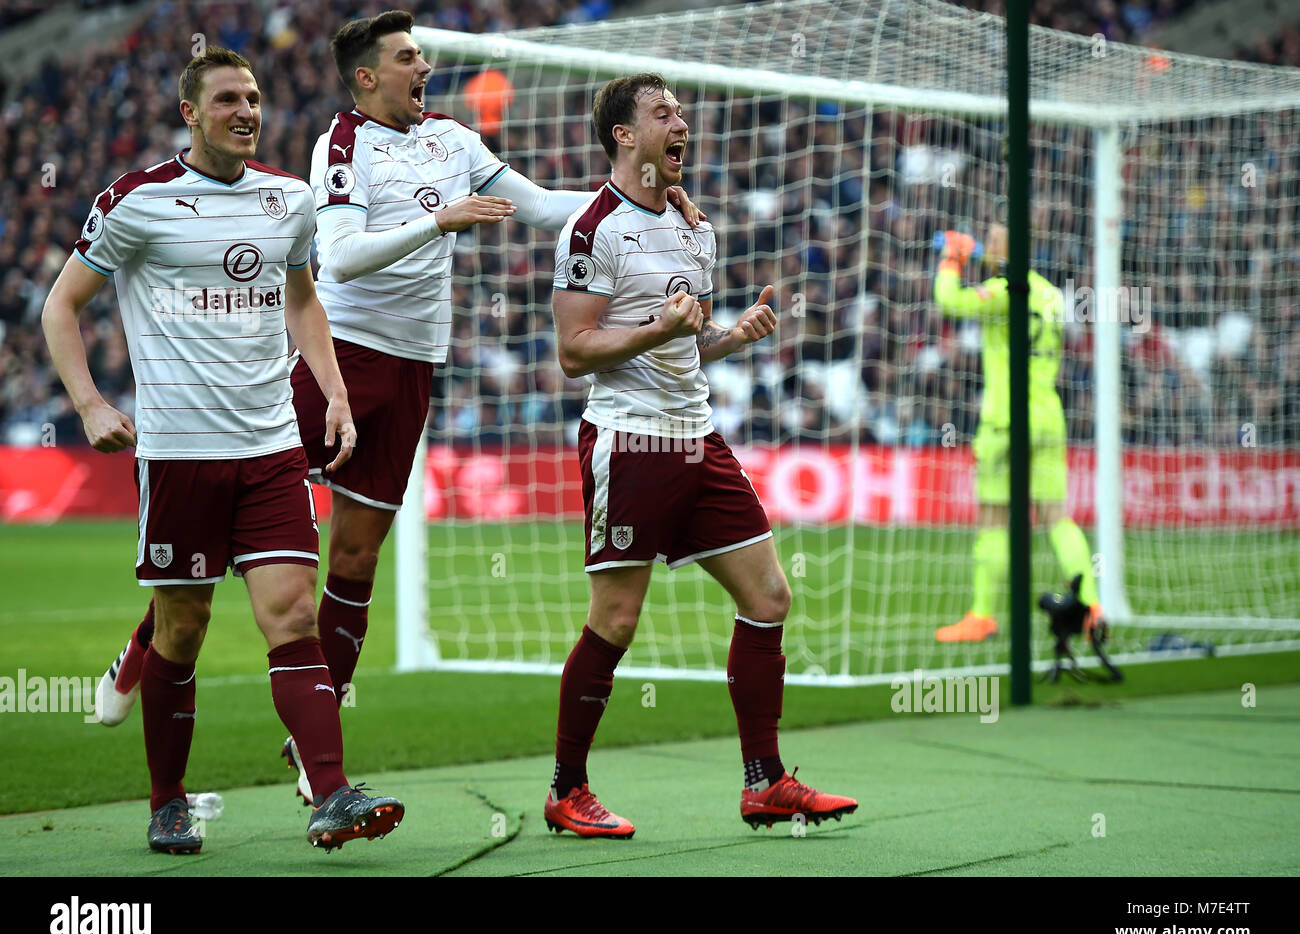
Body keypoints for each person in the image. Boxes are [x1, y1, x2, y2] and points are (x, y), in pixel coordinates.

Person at [91, 10, 703, 809]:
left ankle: (315, 758)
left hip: (414, 368)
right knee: (219, 528)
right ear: (368, 77)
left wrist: (637, 196)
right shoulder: (341, 148)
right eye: (410, 57)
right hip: (338, 356)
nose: (426, 68)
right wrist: (438, 221)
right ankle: (146, 649)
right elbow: (337, 254)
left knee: (355, 559)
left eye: (423, 55)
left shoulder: (452, 139)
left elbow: (547, 209)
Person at [43, 46, 402, 853]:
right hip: (178, 453)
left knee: (291, 613)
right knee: (184, 627)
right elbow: (60, 307)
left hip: (271, 446)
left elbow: (303, 299)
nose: (247, 111)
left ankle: (333, 795)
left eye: (254, 98)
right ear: (191, 114)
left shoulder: (289, 200)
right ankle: (167, 800)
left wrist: (335, 389)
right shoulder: (136, 202)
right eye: (229, 99)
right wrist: (91, 402)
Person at [543, 73, 858, 838]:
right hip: (631, 441)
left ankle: (765, 782)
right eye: (662, 113)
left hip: (698, 439)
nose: (680, 122)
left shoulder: (694, 228)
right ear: (624, 134)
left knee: (769, 599)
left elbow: (687, 345)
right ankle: (566, 789)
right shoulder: (593, 231)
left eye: (680, 112)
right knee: (615, 620)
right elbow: (574, 352)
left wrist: (729, 337)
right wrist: (657, 329)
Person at [932, 225, 1104, 642]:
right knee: (1056, 516)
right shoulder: (1049, 294)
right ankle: (1093, 607)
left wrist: (952, 259)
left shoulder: (1005, 290)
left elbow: (949, 301)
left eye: (994, 241)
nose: (988, 246)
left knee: (993, 518)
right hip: (1047, 413)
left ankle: (982, 615)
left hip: (1007, 418)